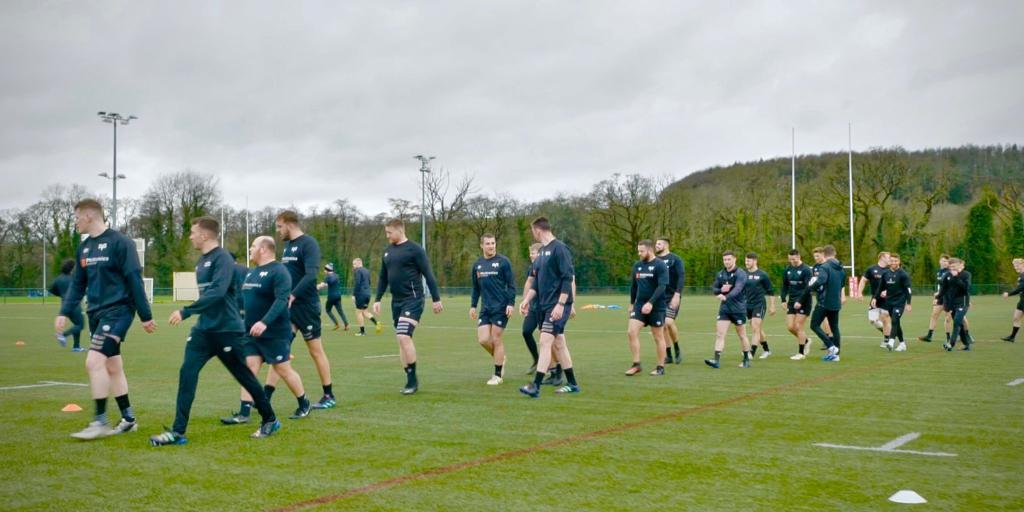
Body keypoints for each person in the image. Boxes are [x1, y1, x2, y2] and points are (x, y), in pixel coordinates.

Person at [149, 217, 279, 446]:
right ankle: (178, 432)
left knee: (244, 376)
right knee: (187, 372)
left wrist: (186, 311)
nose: (190, 236)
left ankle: (269, 419)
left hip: (227, 330)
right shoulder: (201, 262)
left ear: (205, 235)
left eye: (192, 232)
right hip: (203, 331)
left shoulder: (223, 259)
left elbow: (218, 292)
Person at [55, 198, 156, 440]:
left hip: (119, 311)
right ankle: (129, 419)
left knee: (93, 362)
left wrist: (145, 315)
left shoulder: (121, 243)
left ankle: (99, 421)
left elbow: (134, 278)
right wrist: (64, 312)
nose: (75, 222)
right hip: (96, 314)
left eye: (77, 217)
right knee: (112, 365)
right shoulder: (84, 249)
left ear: (89, 216)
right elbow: (78, 285)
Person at [221, 236, 311, 425]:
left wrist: (265, 322)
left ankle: (304, 403)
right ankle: (244, 412)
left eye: (252, 246)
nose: (250, 250)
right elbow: (243, 300)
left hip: (275, 334)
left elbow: (282, 300)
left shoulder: (280, 271)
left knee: (283, 370)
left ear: (263, 249)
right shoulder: (251, 273)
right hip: (251, 334)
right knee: (248, 369)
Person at [271, 211, 336, 410]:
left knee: (315, 351)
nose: (278, 231)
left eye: (279, 227)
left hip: (306, 306)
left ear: (289, 224)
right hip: (289, 307)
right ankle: (264, 396)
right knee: (278, 351)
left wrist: (294, 294)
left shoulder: (309, 244)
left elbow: (310, 275)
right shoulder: (287, 247)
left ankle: (328, 395)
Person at [373, 219, 443, 395]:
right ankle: (409, 377)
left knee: (403, 336)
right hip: (395, 301)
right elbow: (383, 277)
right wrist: (378, 299)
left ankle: (413, 381)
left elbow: (428, 273)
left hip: (413, 299)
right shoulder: (387, 252)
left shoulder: (415, 249)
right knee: (400, 339)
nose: (387, 236)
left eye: (389, 232)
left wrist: (436, 298)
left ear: (399, 230)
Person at [518, 217, 580, 397]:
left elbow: (568, 278)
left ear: (538, 230)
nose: (533, 234)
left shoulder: (560, 249)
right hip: (545, 306)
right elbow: (536, 283)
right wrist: (526, 300)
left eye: (532, 231)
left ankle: (535, 385)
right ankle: (573, 384)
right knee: (559, 344)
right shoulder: (542, 253)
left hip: (557, 306)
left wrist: (561, 304)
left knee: (545, 341)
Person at [469, 234, 517, 385]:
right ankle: (500, 358)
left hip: (501, 307)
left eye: (493, 243)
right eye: (488, 243)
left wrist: (510, 303)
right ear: (481, 245)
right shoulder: (477, 265)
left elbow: (511, 285)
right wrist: (473, 305)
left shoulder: (503, 262)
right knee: (483, 340)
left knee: (496, 339)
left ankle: (497, 375)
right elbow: (476, 288)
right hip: (485, 308)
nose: (491, 246)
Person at [624, 240, 669, 376]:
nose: (639, 253)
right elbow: (634, 286)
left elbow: (662, 286)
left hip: (656, 307)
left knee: (658, 337)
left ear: (649, 250)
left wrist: (650, 303)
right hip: (639, 305)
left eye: (641, 251)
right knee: (631, 332)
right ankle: (636, 364)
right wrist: (632, 303)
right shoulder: (637, 266)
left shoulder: (660, 266)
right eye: (638, 251)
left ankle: (660, 367)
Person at [796, 245, 845, 362]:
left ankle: (831, 346)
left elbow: (821, 280)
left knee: (814, 325)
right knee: (834, 327)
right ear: (834, 254)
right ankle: (836, 355)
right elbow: (842, 283)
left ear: (824, 254)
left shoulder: (825, 267)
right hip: (835, 302)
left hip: (824, 302)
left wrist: (810, 287)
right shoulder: (840, 268)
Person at [704, 251, 751, 369]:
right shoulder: (721, 274)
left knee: (742, 336)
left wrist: (725, 296)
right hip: (725, 309)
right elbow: (714, 288)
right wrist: (720, 290)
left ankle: (746, 360)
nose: (726, 262)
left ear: (734, 259)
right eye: (724, 260)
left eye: (729, 259)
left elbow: (738, 289)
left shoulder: (741, 274)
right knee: (720, 334)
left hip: (738, 309)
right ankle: (716, 360)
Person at [873, 253, 912, 352]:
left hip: (900, 302)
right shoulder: (885, 274)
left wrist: (908, 303)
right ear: (889, 262)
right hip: (889, 302)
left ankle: (891, 341)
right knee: (896, 322)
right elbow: (880, 287)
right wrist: (875, 298)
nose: (894, 263)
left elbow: (908, 290)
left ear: (899, 261)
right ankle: (902, 343)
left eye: (896, 261)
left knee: (894, 320)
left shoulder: (903, 274)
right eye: (892, 261)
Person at [655, 237, 685, 364]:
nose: (656, 246)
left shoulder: (675, 259)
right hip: (658, 297)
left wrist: (677, 294)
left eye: (659, 244)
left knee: (667, 322)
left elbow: (681, 276)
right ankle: (668, 355)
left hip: (672, 297)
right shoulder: (654, 260)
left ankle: (677, 349)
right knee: (661, 326)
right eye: (656, 244)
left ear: (666, 245)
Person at [780, 249, 814, 360]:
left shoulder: (806, 270)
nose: (792, 261)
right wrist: (783, 300)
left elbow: (808, 288)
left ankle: (801, 353)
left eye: (794, 259)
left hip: (804, 301)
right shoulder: (788, 269)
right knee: (790, 327)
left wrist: (800, 301)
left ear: (799, 257)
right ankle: (806, 340)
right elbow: (784, 285)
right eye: (790, 259)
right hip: (792, 301)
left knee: (798, 326)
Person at [743, 253, 776, 359]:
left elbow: (771, 291)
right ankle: (767, 350)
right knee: (757, 329)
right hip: (747, 305)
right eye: (746, 261)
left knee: (755, 327)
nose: (746, 263)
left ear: (755, 261)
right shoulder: (743, 274)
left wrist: (772, 306)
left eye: (749, 261)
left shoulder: (763, 275)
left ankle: (751, 352)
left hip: (759, 304)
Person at [50, 258, 85, 351]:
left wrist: (62, 295)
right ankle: (62, 335)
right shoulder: (74, 278)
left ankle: (76, 347)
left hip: (64, 306)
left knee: (77, 324)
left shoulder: (58, 279)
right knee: (80, 325)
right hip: (74, 305)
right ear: (72, 268)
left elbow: (51, 290)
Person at [858, 252, 892, 346]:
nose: (890, 259)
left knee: (885, 319)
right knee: (873, 320)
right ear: (882, 257)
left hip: (887, 299)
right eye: (889, 257)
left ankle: (886, 340)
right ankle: (886, 331)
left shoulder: (891, 270)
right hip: (875, 299)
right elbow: (863, 280)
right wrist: (860, 292)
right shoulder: (871, 269)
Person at [519, 243, 543, 374]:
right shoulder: (532, 267)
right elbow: (529, 282)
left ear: (540, 253)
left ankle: (556, 368)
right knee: (526, 331)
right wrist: (525, 302)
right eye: (530, 253)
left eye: (533, 253)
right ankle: (537, 359)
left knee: (547, 338)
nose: (530, 255)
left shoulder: (546, 266)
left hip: (545, 306)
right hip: (533, 307)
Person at [939, 258, 972, 351]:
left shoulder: (966, 274)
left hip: (963, 302)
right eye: (951, 267)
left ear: (959, 265)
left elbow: (966, 289)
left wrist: (956, 277)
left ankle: (951, 343)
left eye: (954, 266)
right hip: (953, 303)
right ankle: (966, 344)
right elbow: (944, 288)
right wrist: (938, 298)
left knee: (957, 322)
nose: (952, 268)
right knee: (959, 324)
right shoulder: (947, 275)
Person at [919, 255, 952, 343]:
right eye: (943, 261)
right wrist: (937, 295)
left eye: (946, 261)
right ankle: (929, 335)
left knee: (950, 318)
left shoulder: (950, 272)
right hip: (940, 297)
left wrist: (939, 293)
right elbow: (939, 285)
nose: (945, 262)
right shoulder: (938, 272)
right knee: (934, 314)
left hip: (948, 297)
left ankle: (955, 336)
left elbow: (949, 286)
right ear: (939, 261)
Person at [351, 258, 381, 336]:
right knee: (365, 312)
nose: (353, 266)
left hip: (361, 294)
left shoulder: (358, 271)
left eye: (354, 264)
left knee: (358, 312)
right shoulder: (366, 271)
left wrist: (354, 294)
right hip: (367, 293)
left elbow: (357, 283)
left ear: (358, 263)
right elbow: (369, 282)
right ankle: (377, 323)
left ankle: (362, 332)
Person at [318, 263, 350, 331]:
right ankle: (346, 324)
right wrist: (323, 284)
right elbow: (329, 284)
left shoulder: (328, 277)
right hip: (338, 296)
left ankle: (336, 324)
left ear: (327, 270)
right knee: (340, 311)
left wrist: (317, 287)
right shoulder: (336, 276)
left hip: (331, 297)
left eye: (325, 270)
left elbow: (323, 285)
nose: (324, 271)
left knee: (328, 310)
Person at [1001, 258, 1024, 342]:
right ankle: (1012, 337)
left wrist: (1009, 294)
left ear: (1023, 264)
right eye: (1014, 265)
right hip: (1022, 301)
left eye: (1017, 265)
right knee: (1016, 318)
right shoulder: (1021, 275)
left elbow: (1021, 288)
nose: (1016, 267)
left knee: (1016, 318)